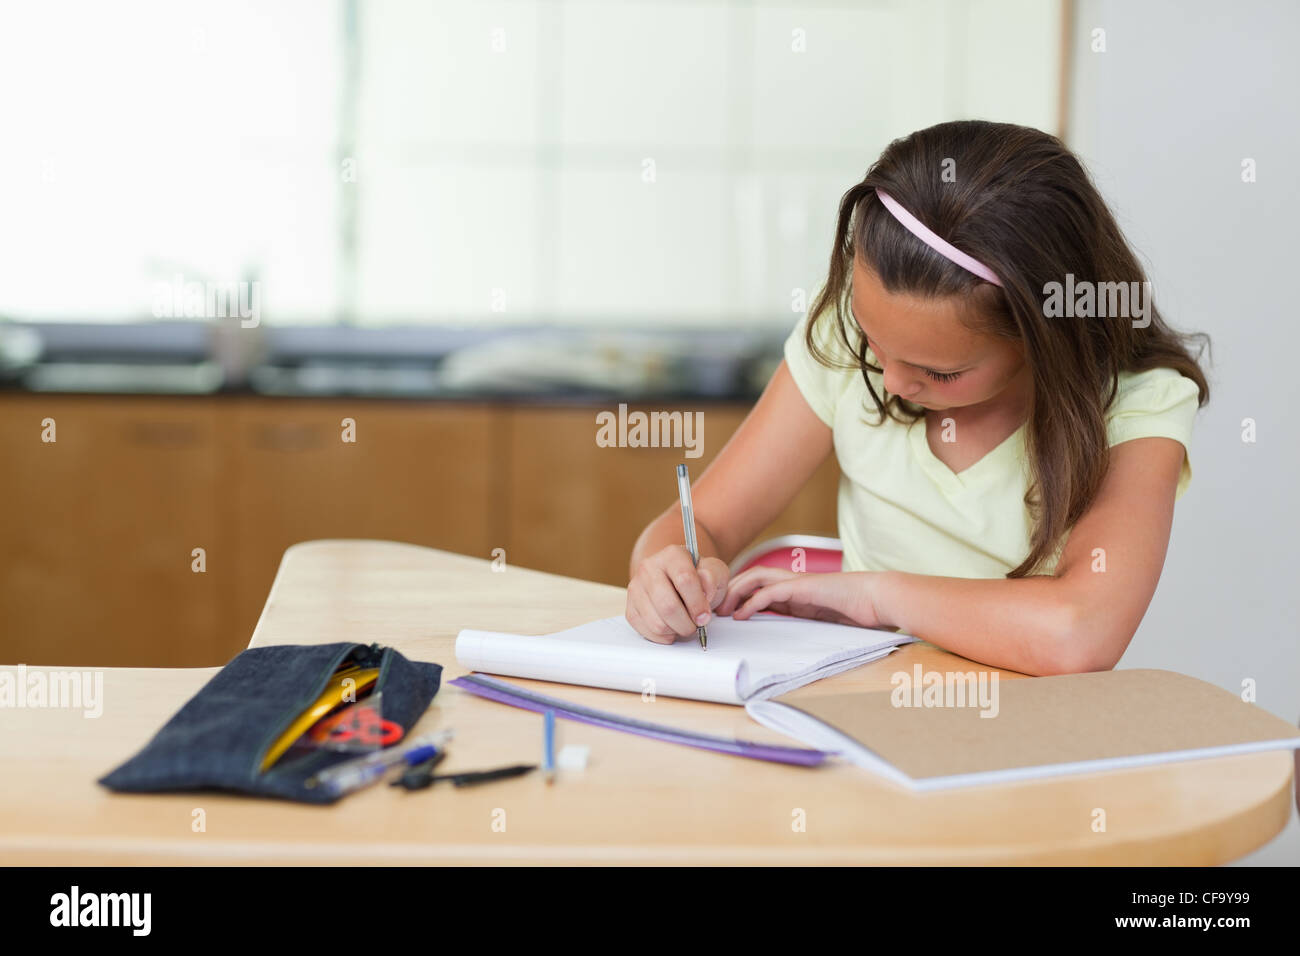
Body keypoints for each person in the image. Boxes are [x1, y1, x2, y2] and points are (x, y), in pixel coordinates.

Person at [626, 120, 1210, 676]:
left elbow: (1080, 631)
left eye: (939, 372)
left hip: (1024, 739)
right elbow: (702, 520)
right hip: (859, 712)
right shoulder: (841, 337)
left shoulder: (1138, 404)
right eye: (875, 342)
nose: (892, 382)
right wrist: (665, 573)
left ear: (1044, 339)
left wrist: (876, 596)